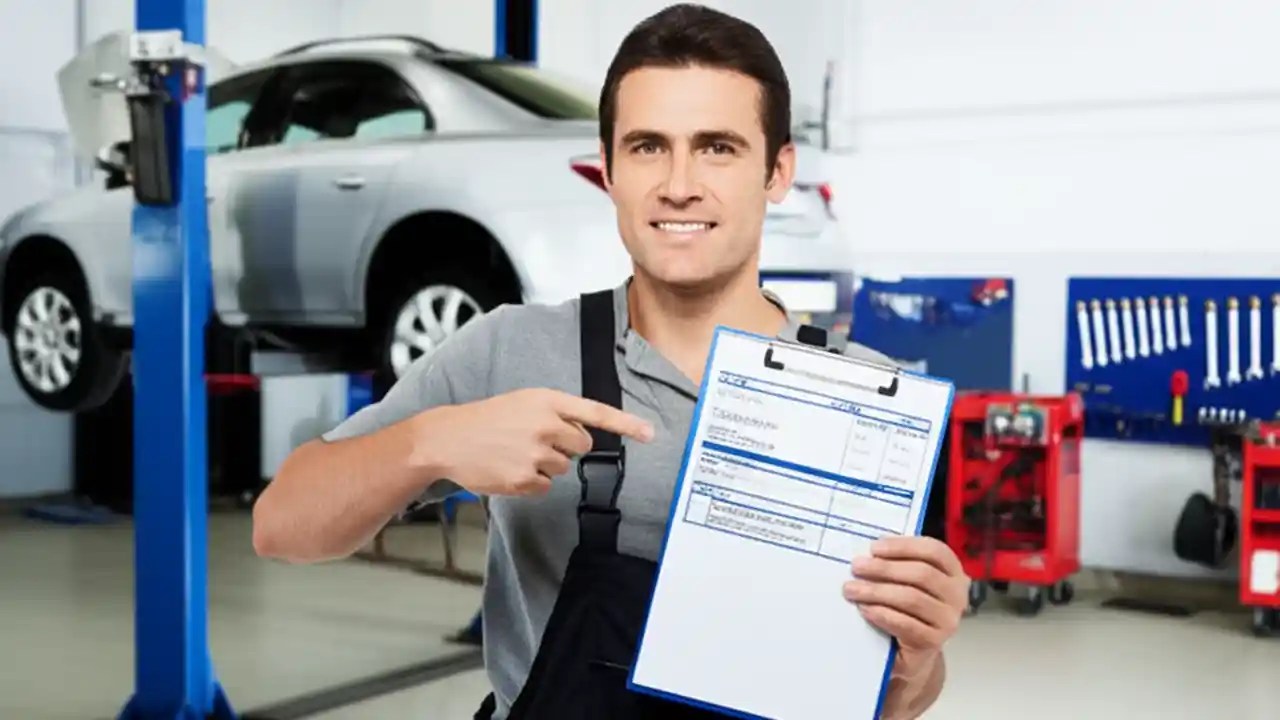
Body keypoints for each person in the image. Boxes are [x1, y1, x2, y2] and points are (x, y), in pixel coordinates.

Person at [252, 4, 969, 718]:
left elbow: (895, 698)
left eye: (717, 147)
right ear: (608, 168)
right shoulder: (511, 350)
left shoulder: (873, 404)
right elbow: (282, 525)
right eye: (648, 146)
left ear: (777, 171)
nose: (679, 183)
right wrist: (430, 439)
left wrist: (919, 656)